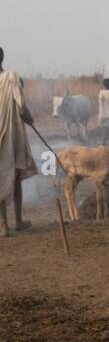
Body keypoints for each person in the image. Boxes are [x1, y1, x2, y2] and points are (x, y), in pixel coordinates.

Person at [0, 47, 37, 236]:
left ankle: (3, 226)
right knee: (14, 177)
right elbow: (21, 107)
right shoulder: (11, 77)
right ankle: (19, 221)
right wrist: (29, 118)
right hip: (11, 137)